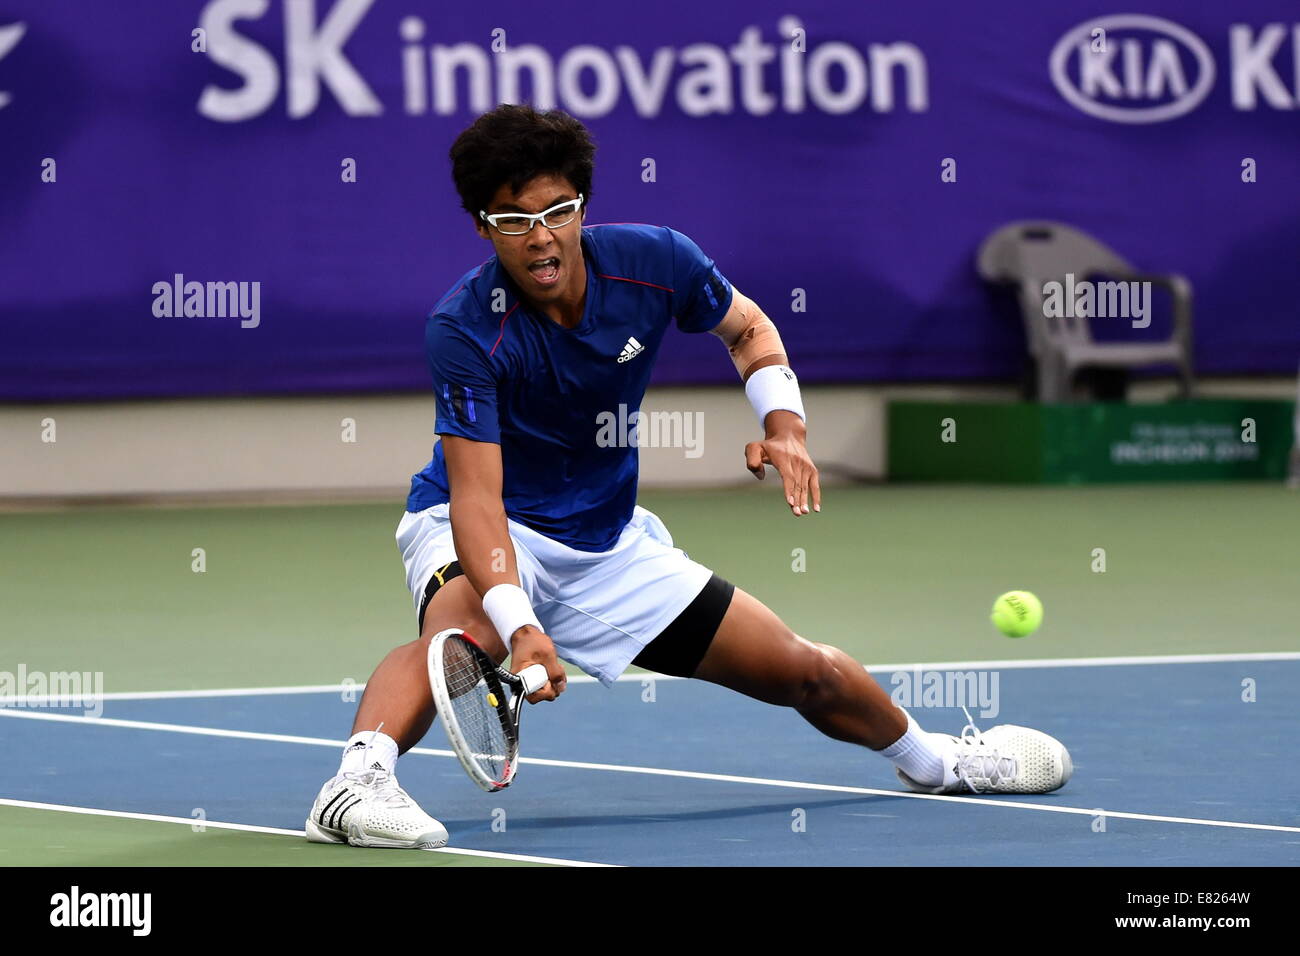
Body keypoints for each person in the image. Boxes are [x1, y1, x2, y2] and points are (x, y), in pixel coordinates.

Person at [306, 104, 1071, 850]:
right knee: (465, 635)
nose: (540, 239)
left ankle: (937, 762)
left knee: (798, 669)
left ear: (583, 207)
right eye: (513, 220)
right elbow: (476, 497)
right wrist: (523, 627)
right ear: (482, 225)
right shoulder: (466, 326)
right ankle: (357, 783)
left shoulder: (656, 262)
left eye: (557, 212)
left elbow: (748, 328)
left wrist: (785, 426)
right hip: (486, 523)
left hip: (607, 542)